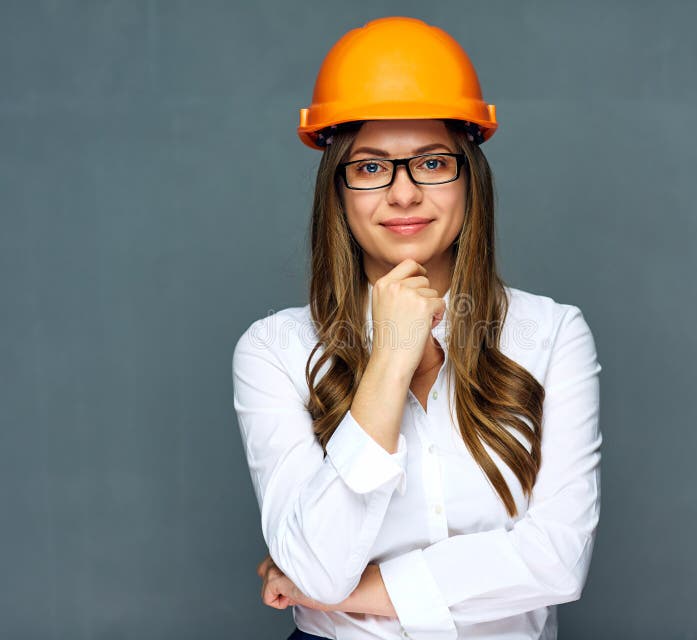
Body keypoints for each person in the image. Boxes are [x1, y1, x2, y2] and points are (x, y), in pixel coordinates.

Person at [232, 16, 602, 640]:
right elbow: (318, 567)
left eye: (432, 163)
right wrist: (391, 359)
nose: (404, 194)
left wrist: (361, 592)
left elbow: (557, 563)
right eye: (372, 168)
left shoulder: (552, 334)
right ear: (338, 193)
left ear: (470, 179)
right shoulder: (273, 350)